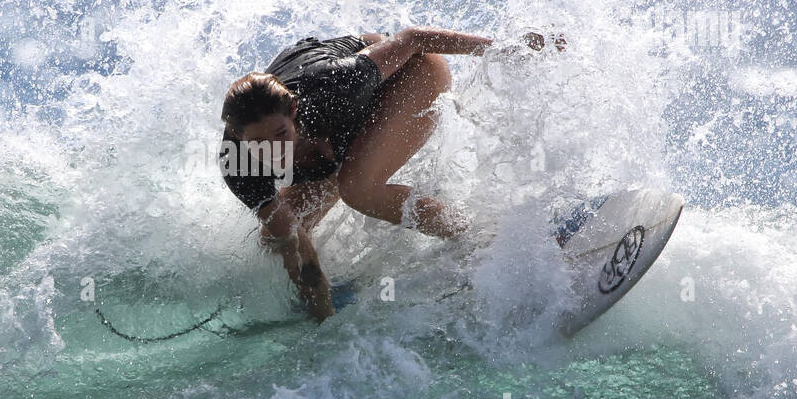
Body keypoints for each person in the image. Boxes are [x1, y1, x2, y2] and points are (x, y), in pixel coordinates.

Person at [219, 27, 561, 320]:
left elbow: (412, 40)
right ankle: (331, 287)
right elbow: (290, 238)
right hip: (339, 125)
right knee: (276, 237)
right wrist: (323, 314)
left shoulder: (335, 83)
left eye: (280, 135)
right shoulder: (239, 165)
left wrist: (503, 48)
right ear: (238, 137)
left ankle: (484, 239)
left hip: (413, 75)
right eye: (258, 144)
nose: (274, 150)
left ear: (293, 110)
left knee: (358, 188)